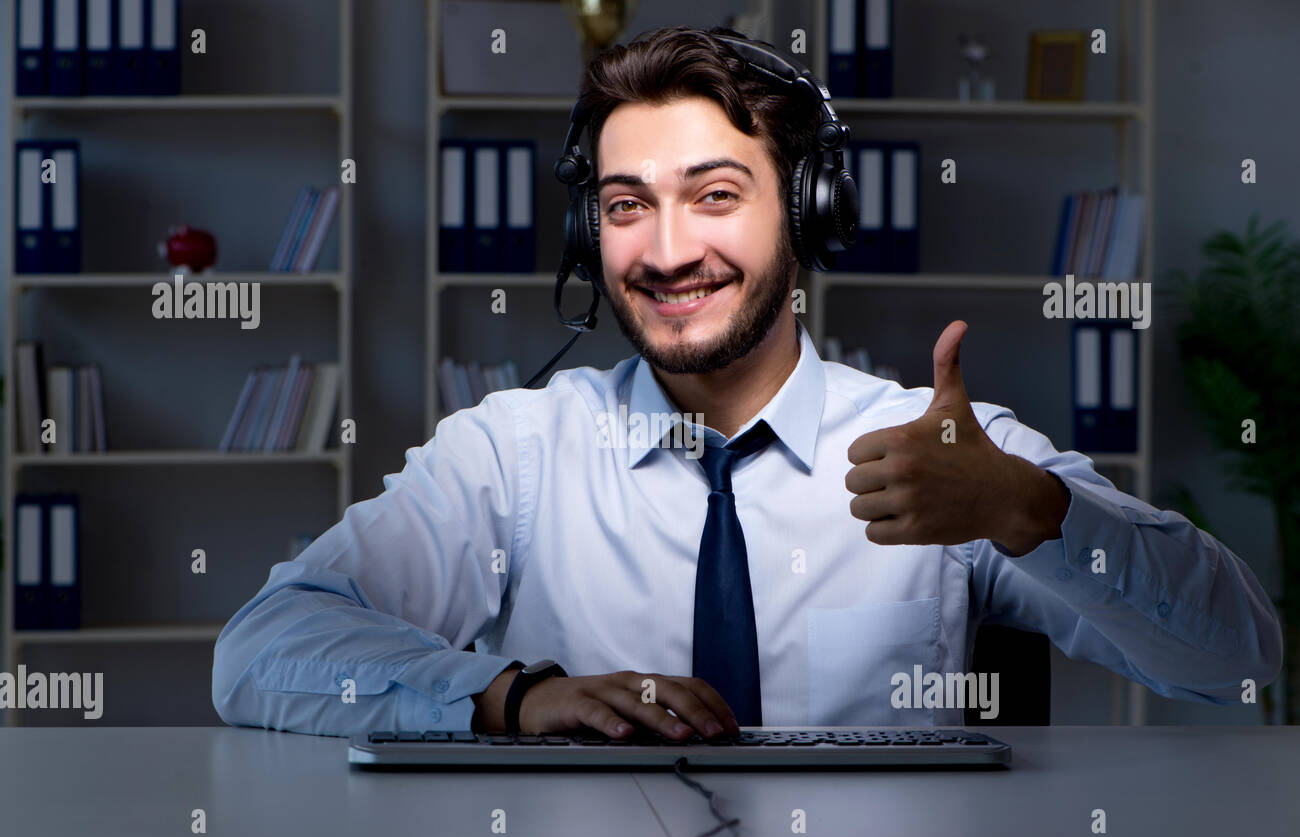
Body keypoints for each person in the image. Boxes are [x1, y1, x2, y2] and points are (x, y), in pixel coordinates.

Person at [212, 26, 1281, 740]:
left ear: (808, 215)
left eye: (715, 194)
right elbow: (262, 648)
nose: (667, 249)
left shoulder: (943, 449)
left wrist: (1031, 511)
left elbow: (1237, 658)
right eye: (626, 206)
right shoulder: (512, 452)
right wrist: (508, 694)